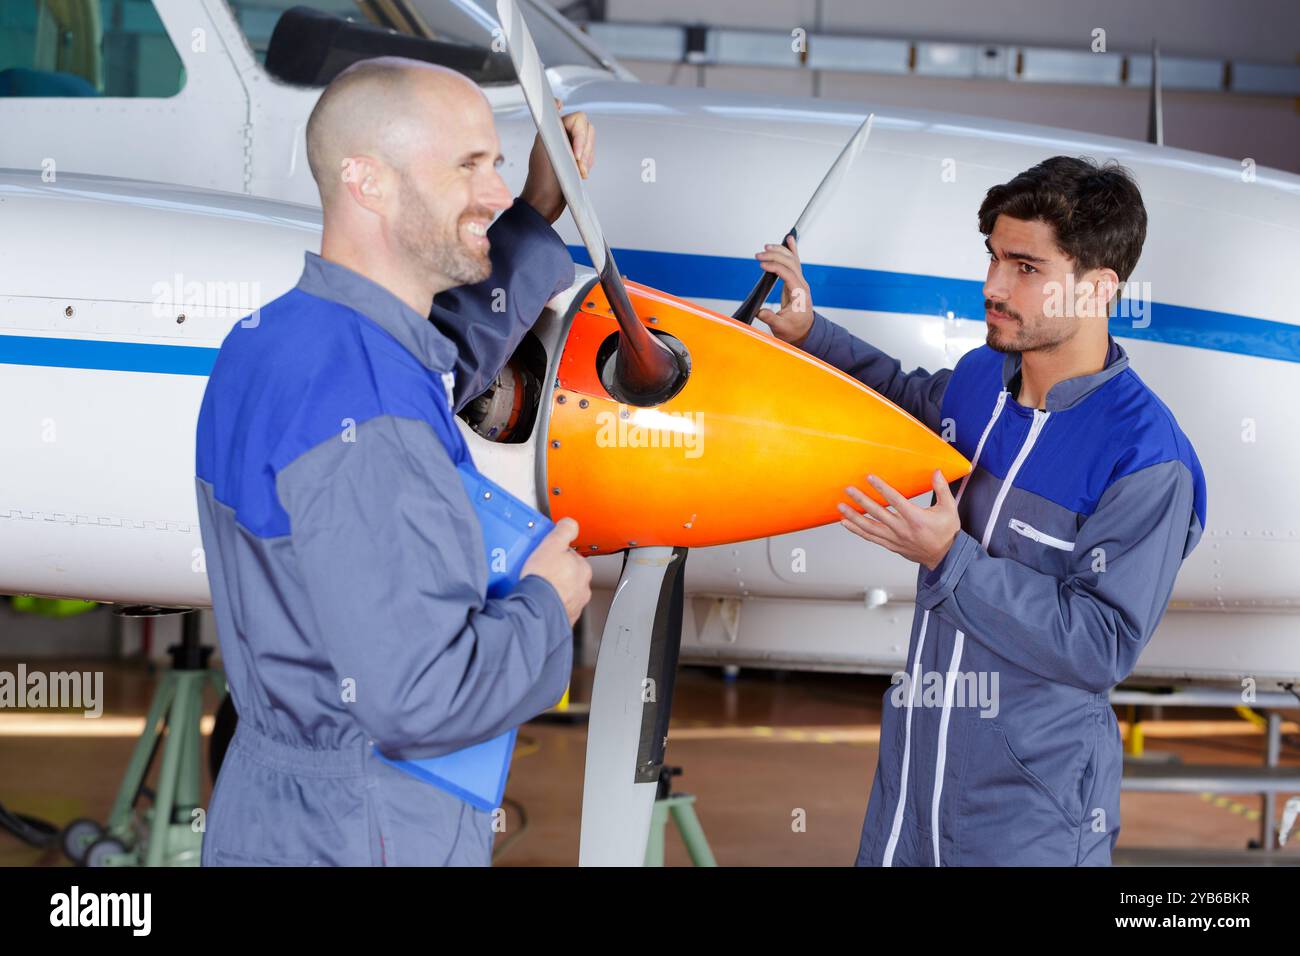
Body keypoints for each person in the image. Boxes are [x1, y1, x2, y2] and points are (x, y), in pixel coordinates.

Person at [195, 56, 593, 866]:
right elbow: (422, 702)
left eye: (498, 164)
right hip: (368, 827)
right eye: (467, 168)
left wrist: (532, 216)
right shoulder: (372, 414)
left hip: (276, 808)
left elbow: (429, 362)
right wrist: (550, 605)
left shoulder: (277, 340)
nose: (494, 192)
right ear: (368, 181)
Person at [755, 156, 1206, 866]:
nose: (993, 286)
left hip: (1031, 812)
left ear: (1098, 288)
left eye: (1025, 267)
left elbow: (1099, 644)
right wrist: (812, 335)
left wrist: (949, 560)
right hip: (912, 790)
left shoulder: (1147, 458)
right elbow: (902, 399)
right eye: (993, 258)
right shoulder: (979, 381)